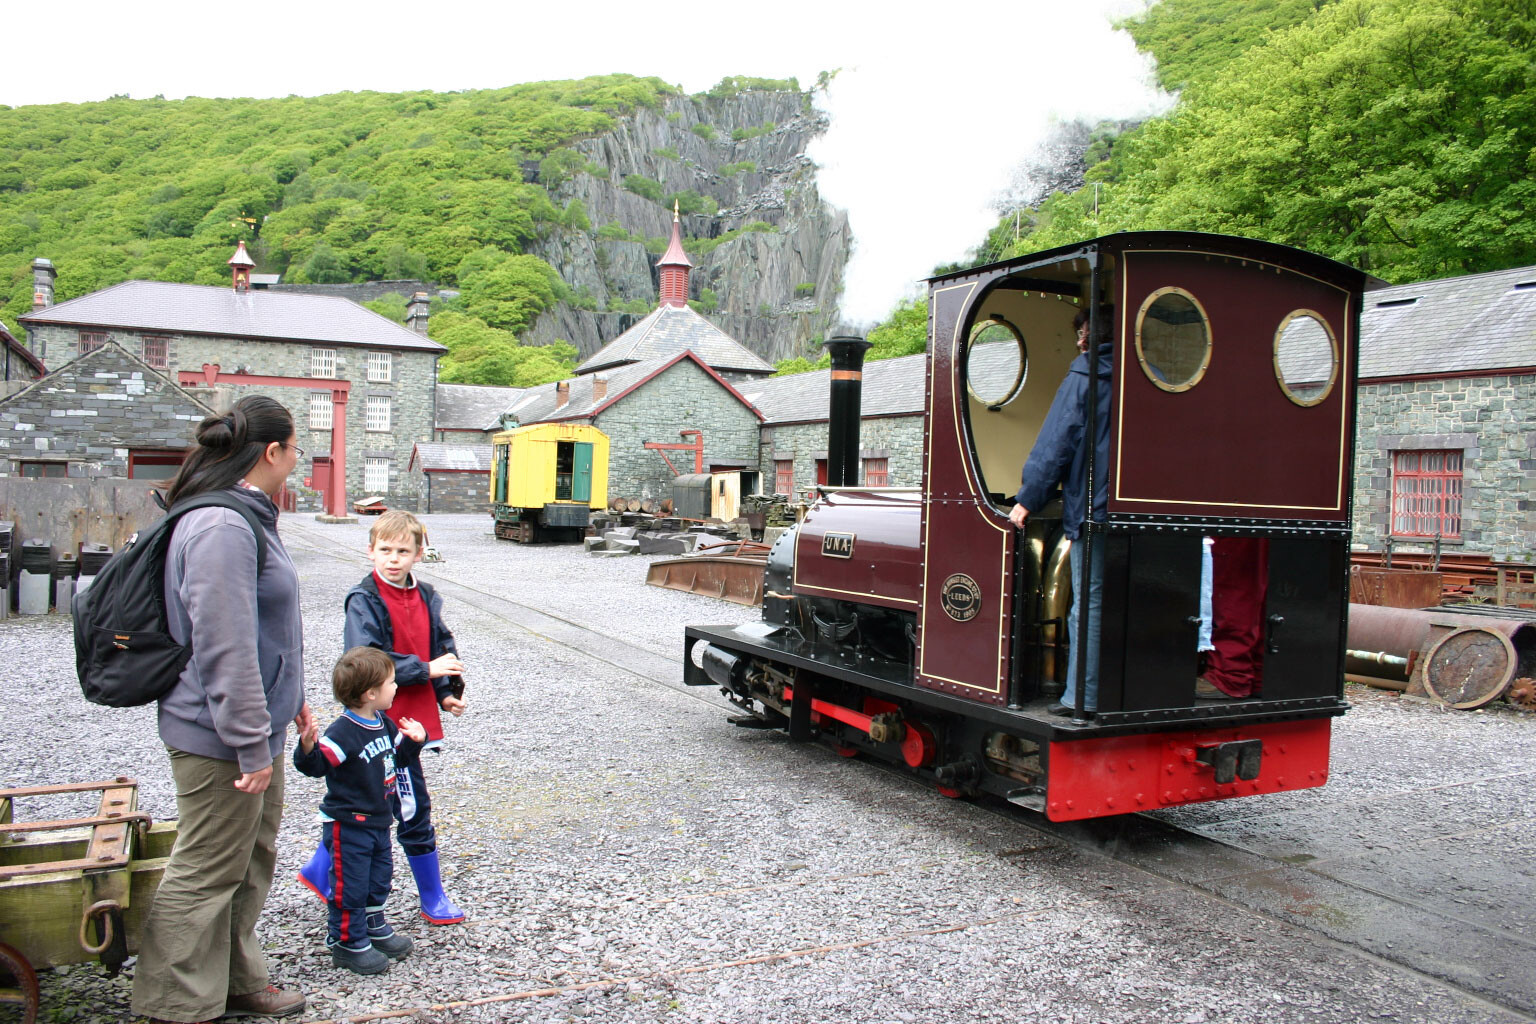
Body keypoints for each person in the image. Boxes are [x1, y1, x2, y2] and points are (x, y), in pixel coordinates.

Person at [130, 396, 311, 1024]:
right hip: (220, 740)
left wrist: (296, 703)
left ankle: (235, 980)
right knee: (207, 868)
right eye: (295, 448)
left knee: (249, 860)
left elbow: (268, 629)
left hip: (254, 728)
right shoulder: (223, 527)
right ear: (272, 452)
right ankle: (175, 1004)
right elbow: (223, 646)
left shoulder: (251, 517)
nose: (299, 458)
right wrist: (249, 741)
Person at [297, 510, 468, 924]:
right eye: (385, 550)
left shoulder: (426, 595)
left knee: (389, 801)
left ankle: (326, 870)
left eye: (403, 551)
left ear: (419, 554)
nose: (393, 559)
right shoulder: (364, 599)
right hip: (376, 721)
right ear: (370, 550)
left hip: (413, 719)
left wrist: (445, 693)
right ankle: (430, 895)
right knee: (398, 804)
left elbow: (440, 647)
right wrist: (424, 671)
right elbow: (364, 660)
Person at [294, 647, 425, 974]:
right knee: (349, 883)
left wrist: (414, 741)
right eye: (391, 683)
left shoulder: (382, 722)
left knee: (378, 877)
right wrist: (308, 746)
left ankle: (372, 926)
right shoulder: (343, 732)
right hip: (348, 824)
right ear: (370, 693)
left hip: (379, 821)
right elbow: (316, 766)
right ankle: (347, 942)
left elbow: (399, 758)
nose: (396, 688)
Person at [1009, 307, 1112, 716]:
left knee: (1089, 602)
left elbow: (1057, 442)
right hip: (1141, 513)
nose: (1078, 341)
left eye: (1081, 333)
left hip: (1097, 509)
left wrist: (1027, 499)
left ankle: (1080, 697)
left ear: (1089, 336)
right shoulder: (1150, 376)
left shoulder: (1084, 377)